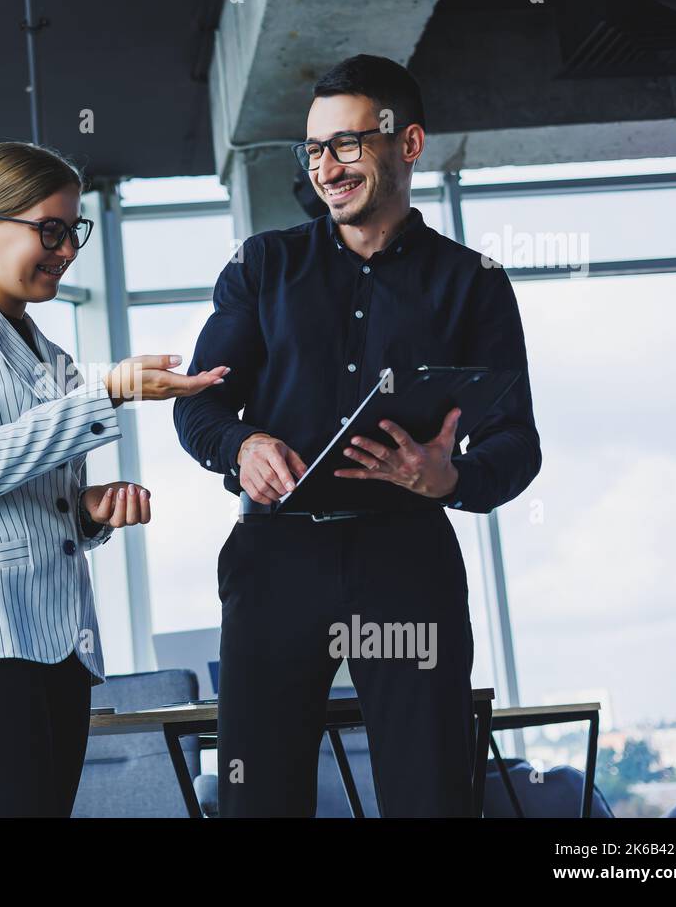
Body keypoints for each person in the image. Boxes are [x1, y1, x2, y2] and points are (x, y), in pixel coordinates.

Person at [173, 55, 542, 817]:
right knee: (260, 797)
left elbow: (516, 440)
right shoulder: (263, 266)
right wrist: (240, 448)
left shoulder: (474, 282)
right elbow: (198, 405)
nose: (326, 168)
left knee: (429, 791)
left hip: (404, 561)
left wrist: (454, 481)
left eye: (347, 144)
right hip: (278, 562)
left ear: (407, 144)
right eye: (313, 150)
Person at [0, 141, 228, 816]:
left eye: (73, 230)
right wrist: (108, 391)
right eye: (49, 228)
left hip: (57, 652)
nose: (67, 248)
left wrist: (89, 512)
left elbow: (37, 500)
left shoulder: (55, 356)